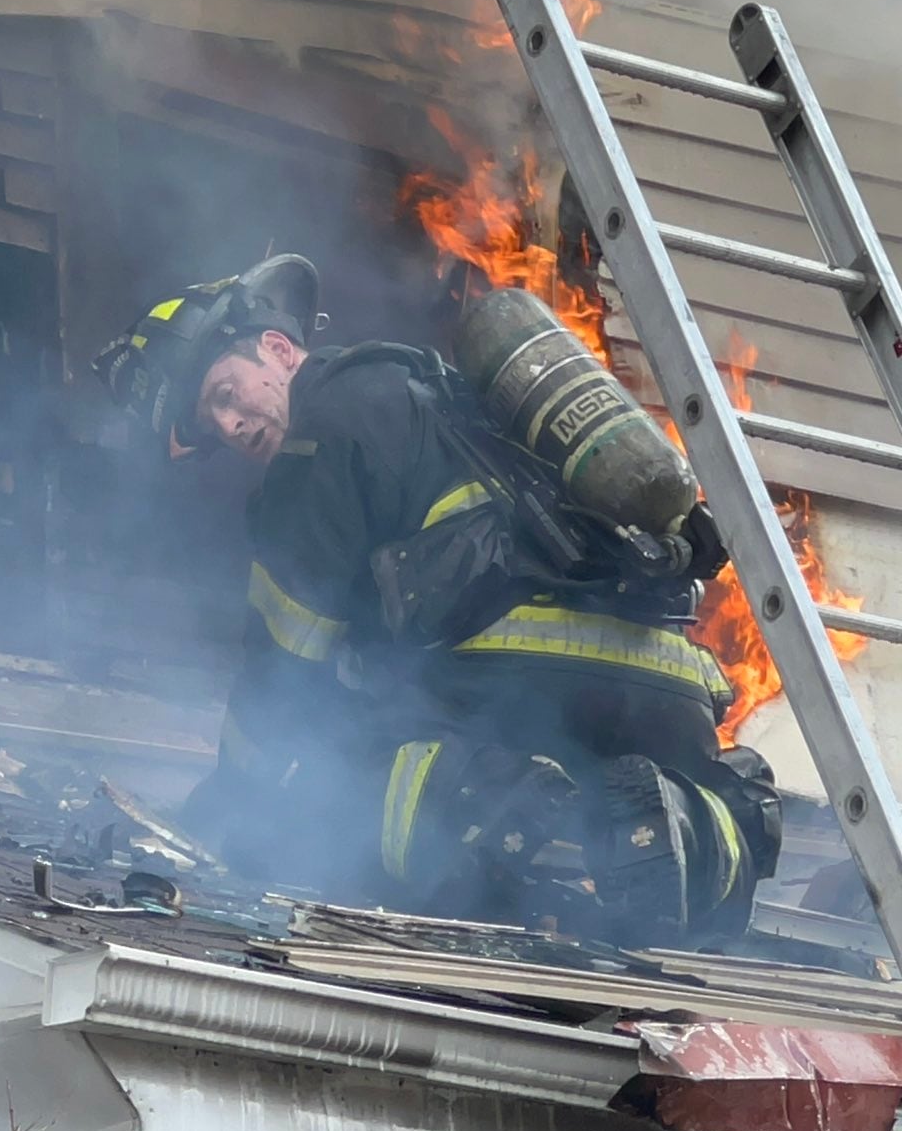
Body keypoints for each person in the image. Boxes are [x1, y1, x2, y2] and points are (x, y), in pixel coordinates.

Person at [94, 255, 781, 944]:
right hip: (667, 691)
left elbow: (282, 663)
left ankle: (530, 833)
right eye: (215, 427)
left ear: (277, 349)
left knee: (328, 791)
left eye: (224, 394)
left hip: (523, 687)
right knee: (660, 829)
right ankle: (700, 839)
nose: (232, 426)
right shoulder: (444, 399)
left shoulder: (321, 426)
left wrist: (229, 804)